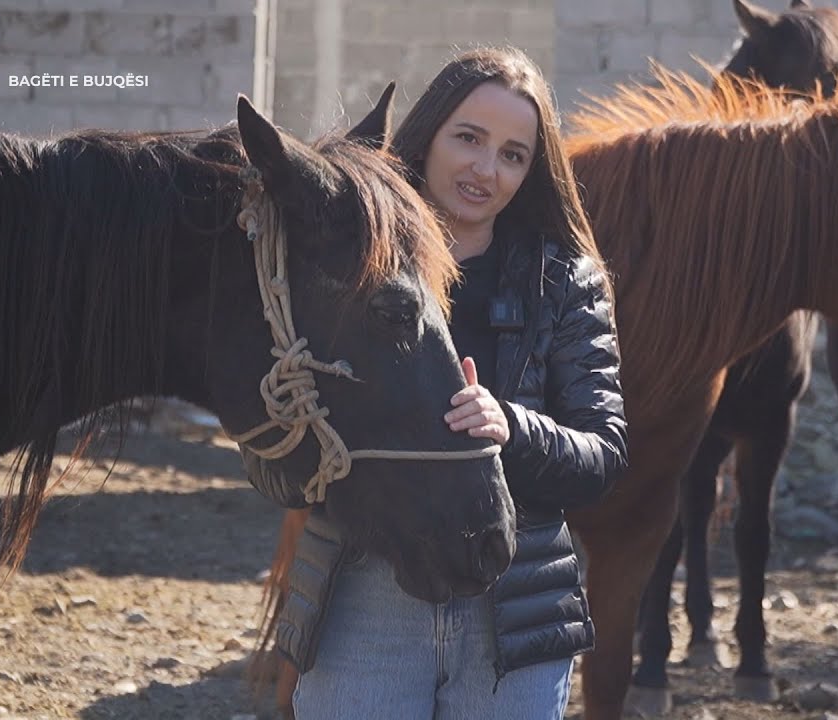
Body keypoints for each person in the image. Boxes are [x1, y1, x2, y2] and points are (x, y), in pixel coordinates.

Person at [255, 46, 629, 719]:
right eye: (469, 138)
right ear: (428, 136)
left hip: (513, 609)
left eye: (513, 154)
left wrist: (512, 426)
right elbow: (274, 477)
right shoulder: (344, 259)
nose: (487, 170)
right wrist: (284, 432)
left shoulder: (567, 280)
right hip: (365, 595)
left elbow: (602, 455)